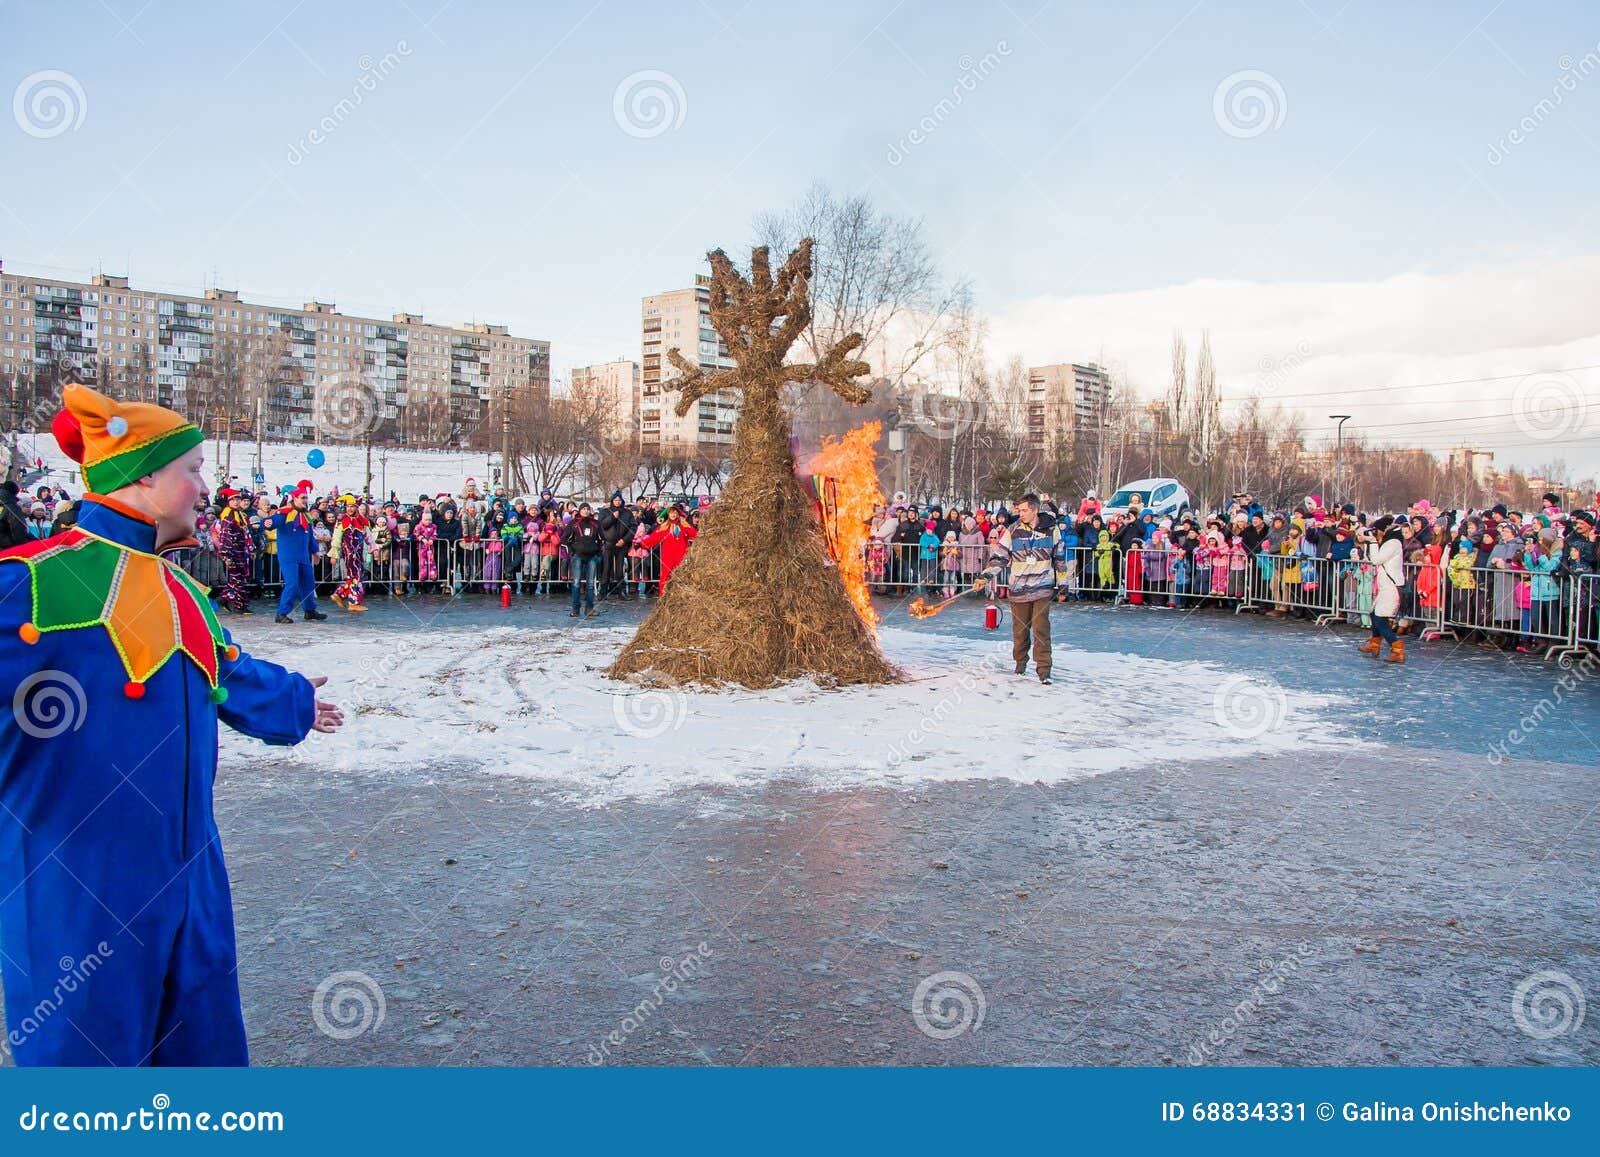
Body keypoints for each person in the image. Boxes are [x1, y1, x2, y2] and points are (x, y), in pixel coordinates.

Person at [0, 381, 345, 1066]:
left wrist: (297, 699)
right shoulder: (32, 581)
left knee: (203, 1068)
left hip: (192, 883)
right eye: (192, 472)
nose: (203, 489)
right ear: (144, 476)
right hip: (78, 891)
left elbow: (228, 671)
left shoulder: (182, 587)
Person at [983, 493, 1056, 684]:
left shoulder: (1051, 529)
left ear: (1035, 510)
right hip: (1019, 588)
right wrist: (986, 576)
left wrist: (1063, 583)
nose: (1020, 514)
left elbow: (1061, 555)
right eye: (1019, 510)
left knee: (1041, 629)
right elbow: (1000, 555)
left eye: (1024, 510)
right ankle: (1020, 663)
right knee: (1020, 631)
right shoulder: (1013, 530)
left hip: (1042, 586)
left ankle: (1044, 669)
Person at [264, 482, 326, 624]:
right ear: (295, 498)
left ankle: (310, 611)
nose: (305, 500)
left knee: (309, 583)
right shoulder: (285, 513)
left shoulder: (306, 516)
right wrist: (267, 523)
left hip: (303, 556)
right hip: (289, 556)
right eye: (302, 497)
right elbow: (272, 521)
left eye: (306, 497)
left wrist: (315, 551)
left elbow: (310, 536)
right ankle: (282, 613)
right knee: (292, 584)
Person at [1358, 519, 1407, 663]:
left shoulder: (1393, 543)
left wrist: (1372, 542)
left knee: (1380, 619)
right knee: (1374, 614)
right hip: (1385, 587)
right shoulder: (1390, 543)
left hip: (1391, 587)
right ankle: (1375, 643)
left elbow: (1376, 559)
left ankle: (1397, 648)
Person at [639, 503, 698, 596]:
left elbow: (694, 534)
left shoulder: (683, 524)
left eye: (675, 513)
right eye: (671, 513)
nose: (673, 515)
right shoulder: (665, 526)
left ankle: (683, 593)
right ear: (668, 514)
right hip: (668, 553)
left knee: (682, 573)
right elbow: (654, 537)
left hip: (682, 552)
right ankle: (663, 593)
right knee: (666, 574)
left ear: (678, 514)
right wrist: (642, 543)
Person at [214, 486, 254, 613]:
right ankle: (240, 606)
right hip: (232, 552)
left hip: (241, 551)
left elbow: (246, 533)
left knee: (238, 579)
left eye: (238, 499)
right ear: (229, 501)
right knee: (237, 580)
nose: (236, 502)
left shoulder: (240, 515)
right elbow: (225, 536)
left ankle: (223, 599)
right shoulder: (228, 516)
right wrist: (226, 555)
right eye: (233, 500)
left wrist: (251, 548)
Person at [563, 502, 603, 617]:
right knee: (576, 583)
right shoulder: (574, 523)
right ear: (580, 511)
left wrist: (598, 552)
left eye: (587, 509)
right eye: (583, 509)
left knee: (590, 584)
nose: (585, 511)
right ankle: (575, 608)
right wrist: (571, 551)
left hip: (592, 556)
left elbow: (602, 539)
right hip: (578, 556)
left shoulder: (595, 523)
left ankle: (589, 608)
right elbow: (565, 539)